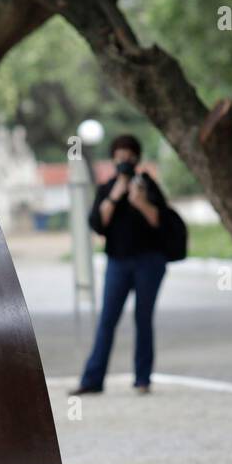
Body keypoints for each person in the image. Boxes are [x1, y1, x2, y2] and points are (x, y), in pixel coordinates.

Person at [72, 134, 168, 396]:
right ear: (113, 157)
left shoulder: (148, 186)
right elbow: (98, 225)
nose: (124, 160)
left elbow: (162, 222)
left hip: (149, 262)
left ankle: (142, 379)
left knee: (143, 319)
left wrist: (141, 201)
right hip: (118, 262)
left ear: (137, 158)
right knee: (107, 320)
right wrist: (116, 195)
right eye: (120, 154)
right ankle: (92, 379)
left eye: (130, 155)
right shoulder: (107, 188)